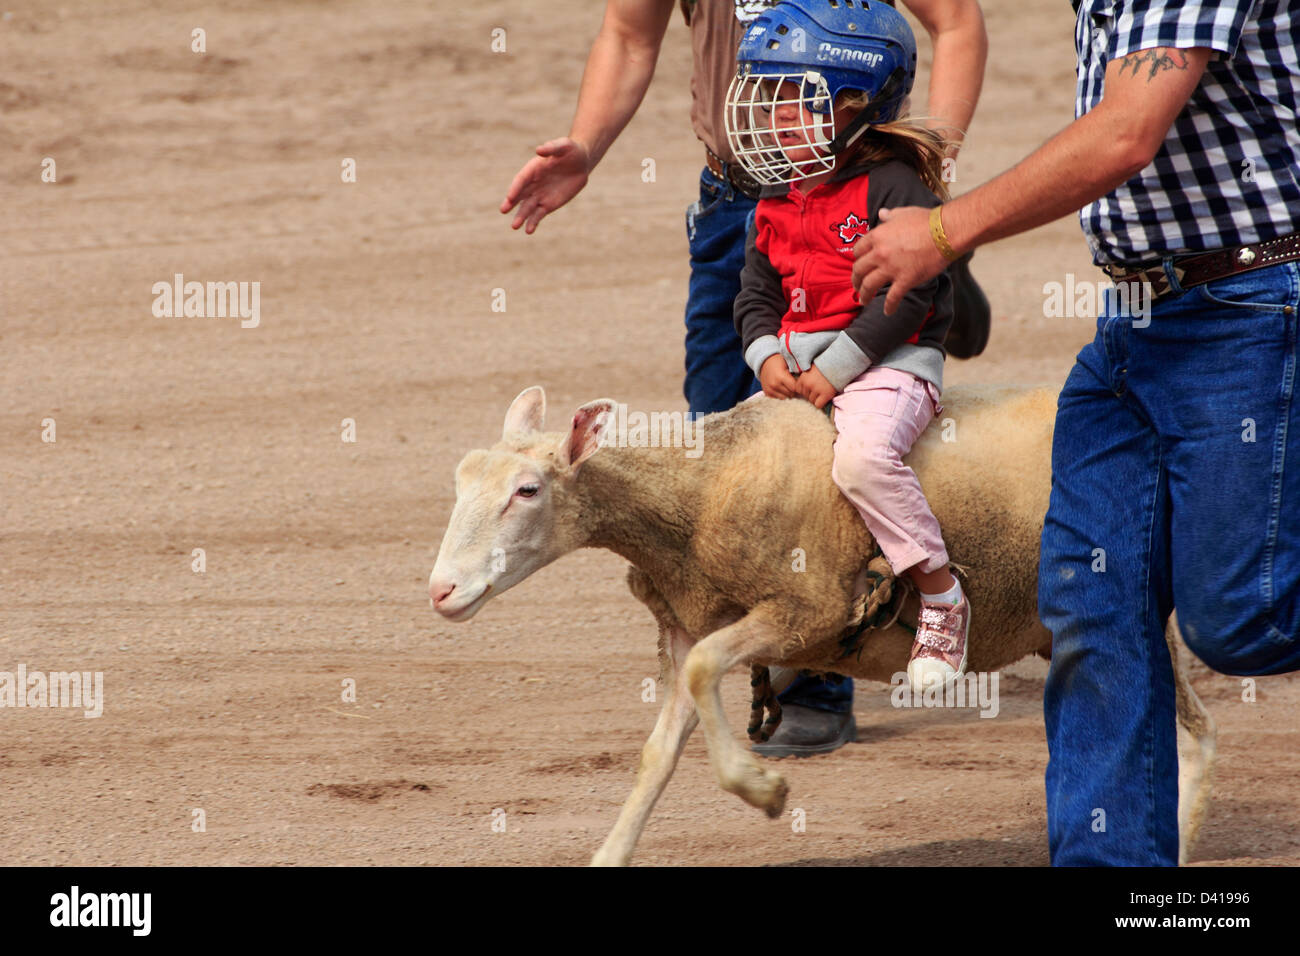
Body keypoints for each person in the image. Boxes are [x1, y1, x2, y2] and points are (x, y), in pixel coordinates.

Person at [850, 0, 1300, 865]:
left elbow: (1126, 133)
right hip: (1137, 321)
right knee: (1092, 604)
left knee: (1247, 617)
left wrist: (943, 230)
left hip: (1255, 307)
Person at [502, 0, 989, 757]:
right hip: (745, 198)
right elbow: (630, 34)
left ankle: (815, 674)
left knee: (832, 460)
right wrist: (588, 146)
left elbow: (955, 18)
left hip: (863, 180)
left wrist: (927, 198)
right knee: (722, 442)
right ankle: (762, 637)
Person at [730, 1, 971, 692]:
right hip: (799, 365)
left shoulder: (894, 186)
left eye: (792, 98)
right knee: (753, 472)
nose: (772, 114)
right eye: (765, 96)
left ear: (856, 101)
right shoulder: (777, 194)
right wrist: (767, 357)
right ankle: (793, 609)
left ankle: (940, 595)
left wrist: (834, 371)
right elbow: (754, 296)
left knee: (862, 460)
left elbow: (909, 299)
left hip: (892, 363)